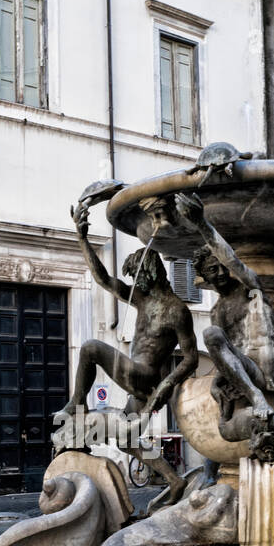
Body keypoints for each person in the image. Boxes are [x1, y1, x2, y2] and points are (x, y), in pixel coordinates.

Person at [55, 200, 200, 511]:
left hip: (146, 376)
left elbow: (191, 358)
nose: (134, 284)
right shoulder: (144, 302)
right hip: (139, 378)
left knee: (91, 348)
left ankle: (76, 403)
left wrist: (166, 386)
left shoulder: (177, 311)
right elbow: (103, 280)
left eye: (137, 276)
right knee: (126, 438)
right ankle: (173, 480)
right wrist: (82, 238)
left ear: (149, 272)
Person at [179, 194, 274, 477]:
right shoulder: (218, 312)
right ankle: (257, 400)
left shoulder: (251, 288)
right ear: (204, 277)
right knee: (212, 334)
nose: (220, 272)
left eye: (221, 266)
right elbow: (224, 353)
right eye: (212, 270)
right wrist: (217, 384)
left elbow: (233, 260)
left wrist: (202, 224)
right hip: (252, 369)